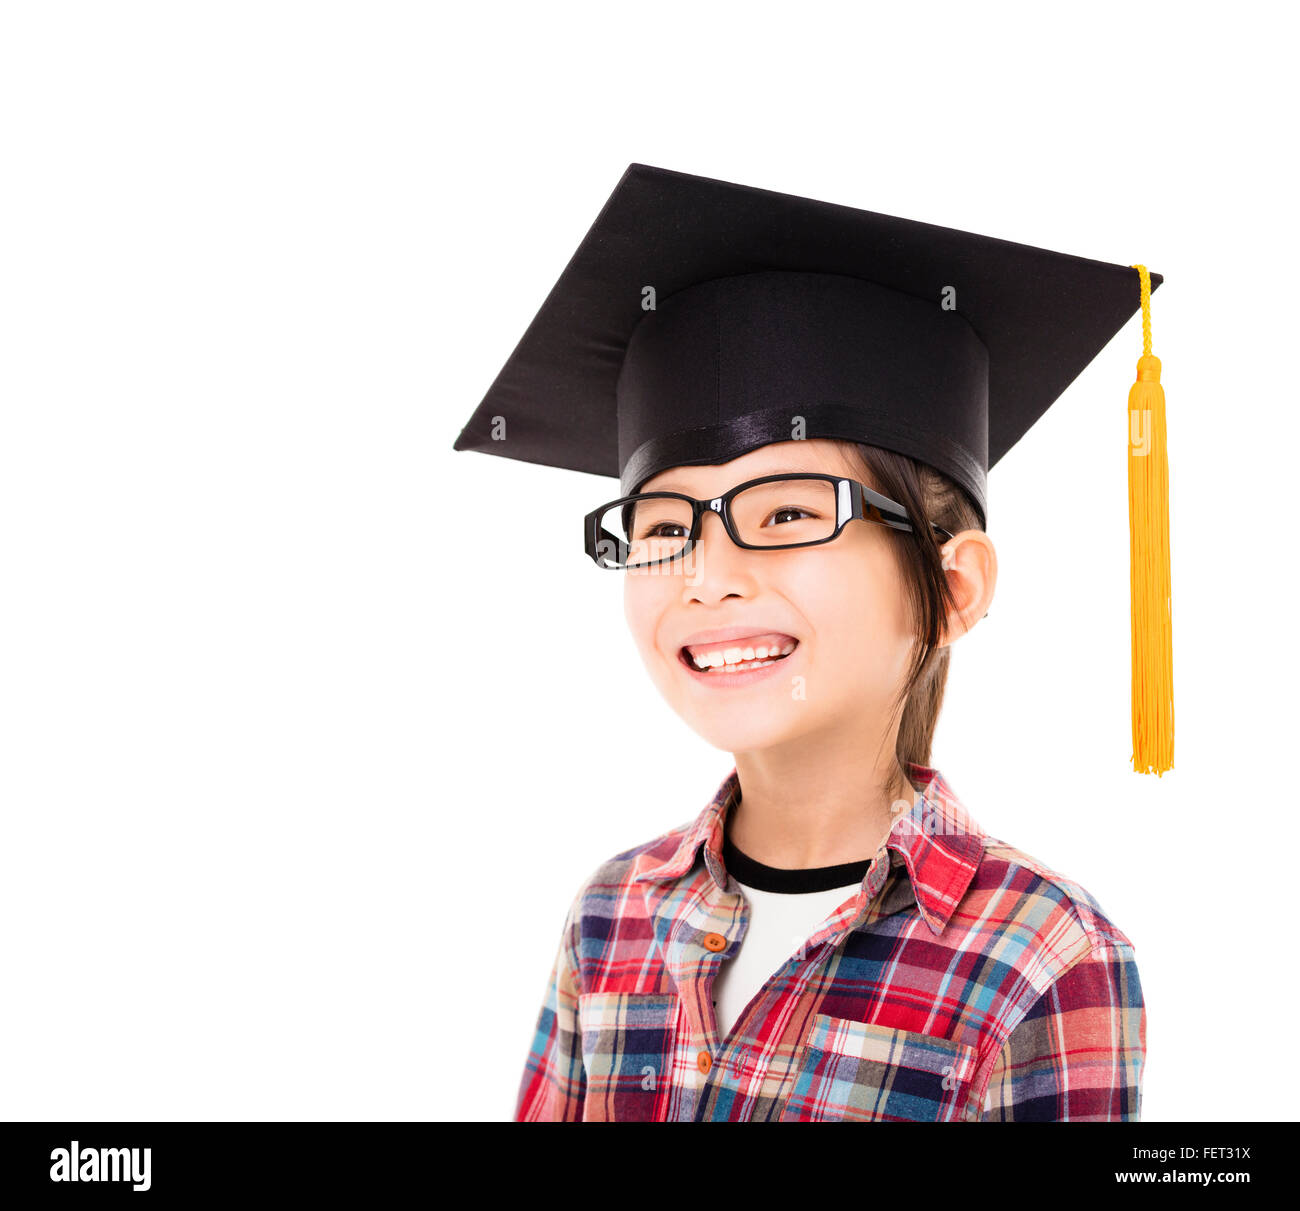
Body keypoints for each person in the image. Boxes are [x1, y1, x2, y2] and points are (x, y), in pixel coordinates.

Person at [453, 164, 1166, 1121]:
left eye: (788, 511)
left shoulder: (1042, 955)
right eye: (663, 527)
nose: (706, 574)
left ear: (951, 590)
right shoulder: (610, 917)